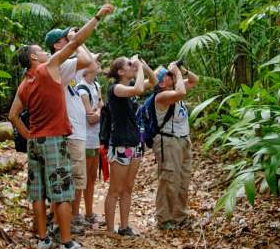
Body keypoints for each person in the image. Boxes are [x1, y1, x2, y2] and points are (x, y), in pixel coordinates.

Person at [8, 3, 114, 249]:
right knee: (61, 193)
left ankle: (43, 239)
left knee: (38, 193)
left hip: (36, 142)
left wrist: (29, 135)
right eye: (39, 52)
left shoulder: (25, 83)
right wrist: (97, 16)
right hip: (55, 139)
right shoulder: (48, 68)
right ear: (34, 58)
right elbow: (76, 43)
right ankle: (66, 244)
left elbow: (12, 115)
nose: (44, 53)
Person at [44, 26, 93, 234]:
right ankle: (62, 222)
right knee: (68, 179)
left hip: (77, 132)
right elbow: (87, 60)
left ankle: (69, 219)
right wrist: (76, 40)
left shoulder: (67, 65)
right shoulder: (59, 66)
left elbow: (91, 61)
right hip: (70, 131)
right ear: (57, 45)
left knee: (75, 179)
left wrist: (76, 41)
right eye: (65, 39)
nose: (71, 41)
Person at [104, 55, 155, 236]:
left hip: (135, 142)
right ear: (120, 72)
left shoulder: (129, 87)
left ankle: (124, 227)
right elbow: (139, 89)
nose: (132, 66)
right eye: (129, 64)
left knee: (128, 187)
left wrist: (144, 65)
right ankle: (110, 229)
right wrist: (139, 68)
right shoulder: (115, 88)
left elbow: (154, 81)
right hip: (120, 143)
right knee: (115, 189)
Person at [152, 62, 198, 230]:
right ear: (161, 83)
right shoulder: (161, 96)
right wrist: (178, 74)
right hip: (168, 141)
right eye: (166, 74)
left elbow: (194, 80)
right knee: (169, 179)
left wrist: (183, 70)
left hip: (183, 139)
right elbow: (181, 92)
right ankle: (164, 218)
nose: (170, 74)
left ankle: (179, 216)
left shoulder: (176, 89)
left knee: (183, 178)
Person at [76, 59, 102, 226]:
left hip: (95, 139)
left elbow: (100, 107)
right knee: (81, 178)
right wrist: (100, 110)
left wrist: (99, 110)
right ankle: (75, 214)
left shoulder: (97, 85)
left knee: (92, 177)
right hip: (84, 138)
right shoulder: (82, 89)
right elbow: (90, 117)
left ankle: (89, 212)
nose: (97, 63)